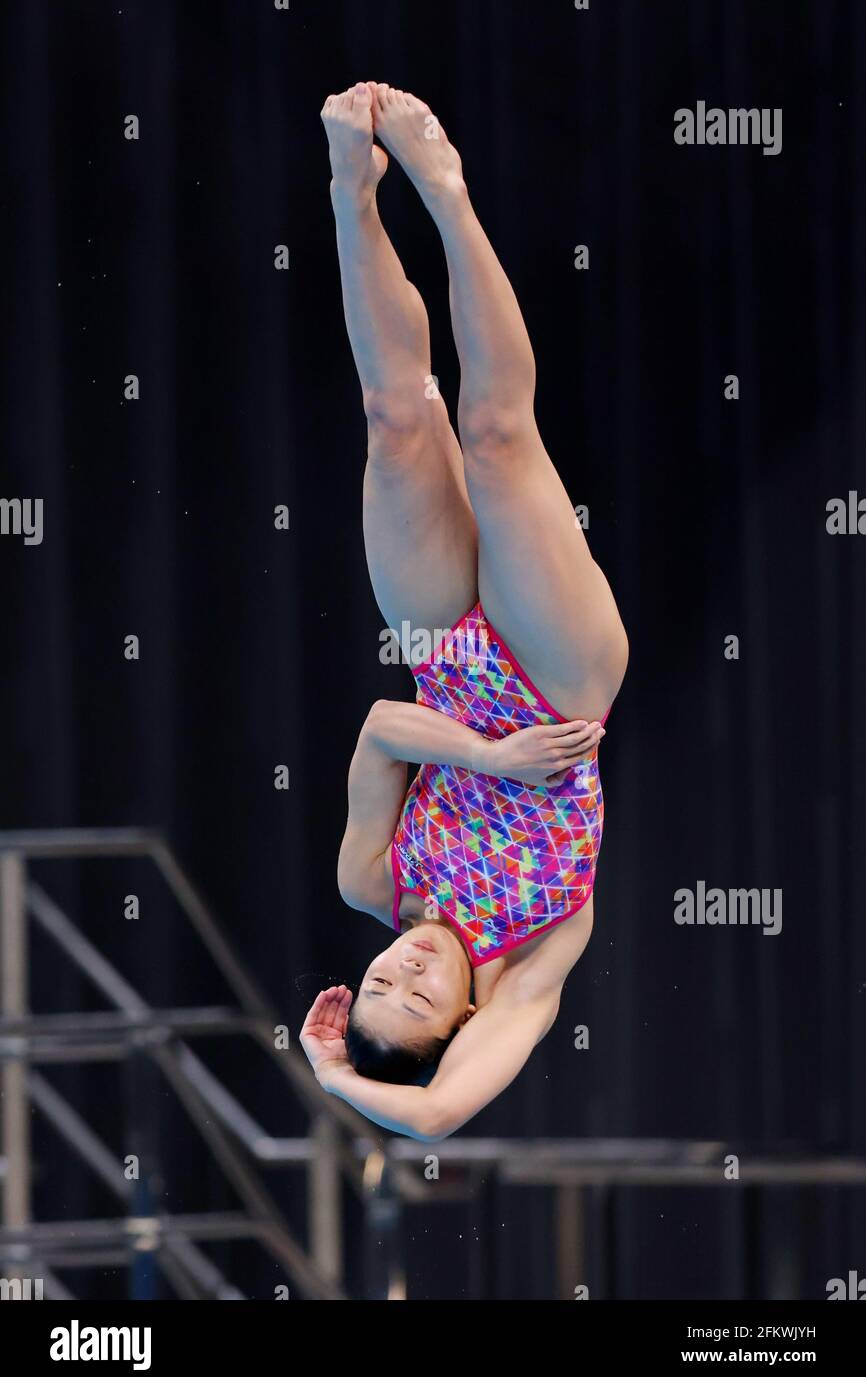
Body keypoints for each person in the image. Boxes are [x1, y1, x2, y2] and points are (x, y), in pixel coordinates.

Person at [299, 83, 628, 1140]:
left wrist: (485, 762)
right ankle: (446, 197)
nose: (402, 967)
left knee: (396, 416)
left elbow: (382, 726)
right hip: (557, 676)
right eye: (420, 995)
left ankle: (351, 186)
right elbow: (436, 1113)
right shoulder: (535, 959)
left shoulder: (371, 879)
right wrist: (348, 1084)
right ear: (467, 1012)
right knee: (492, 433)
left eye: (378, 982)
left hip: (445, 666)